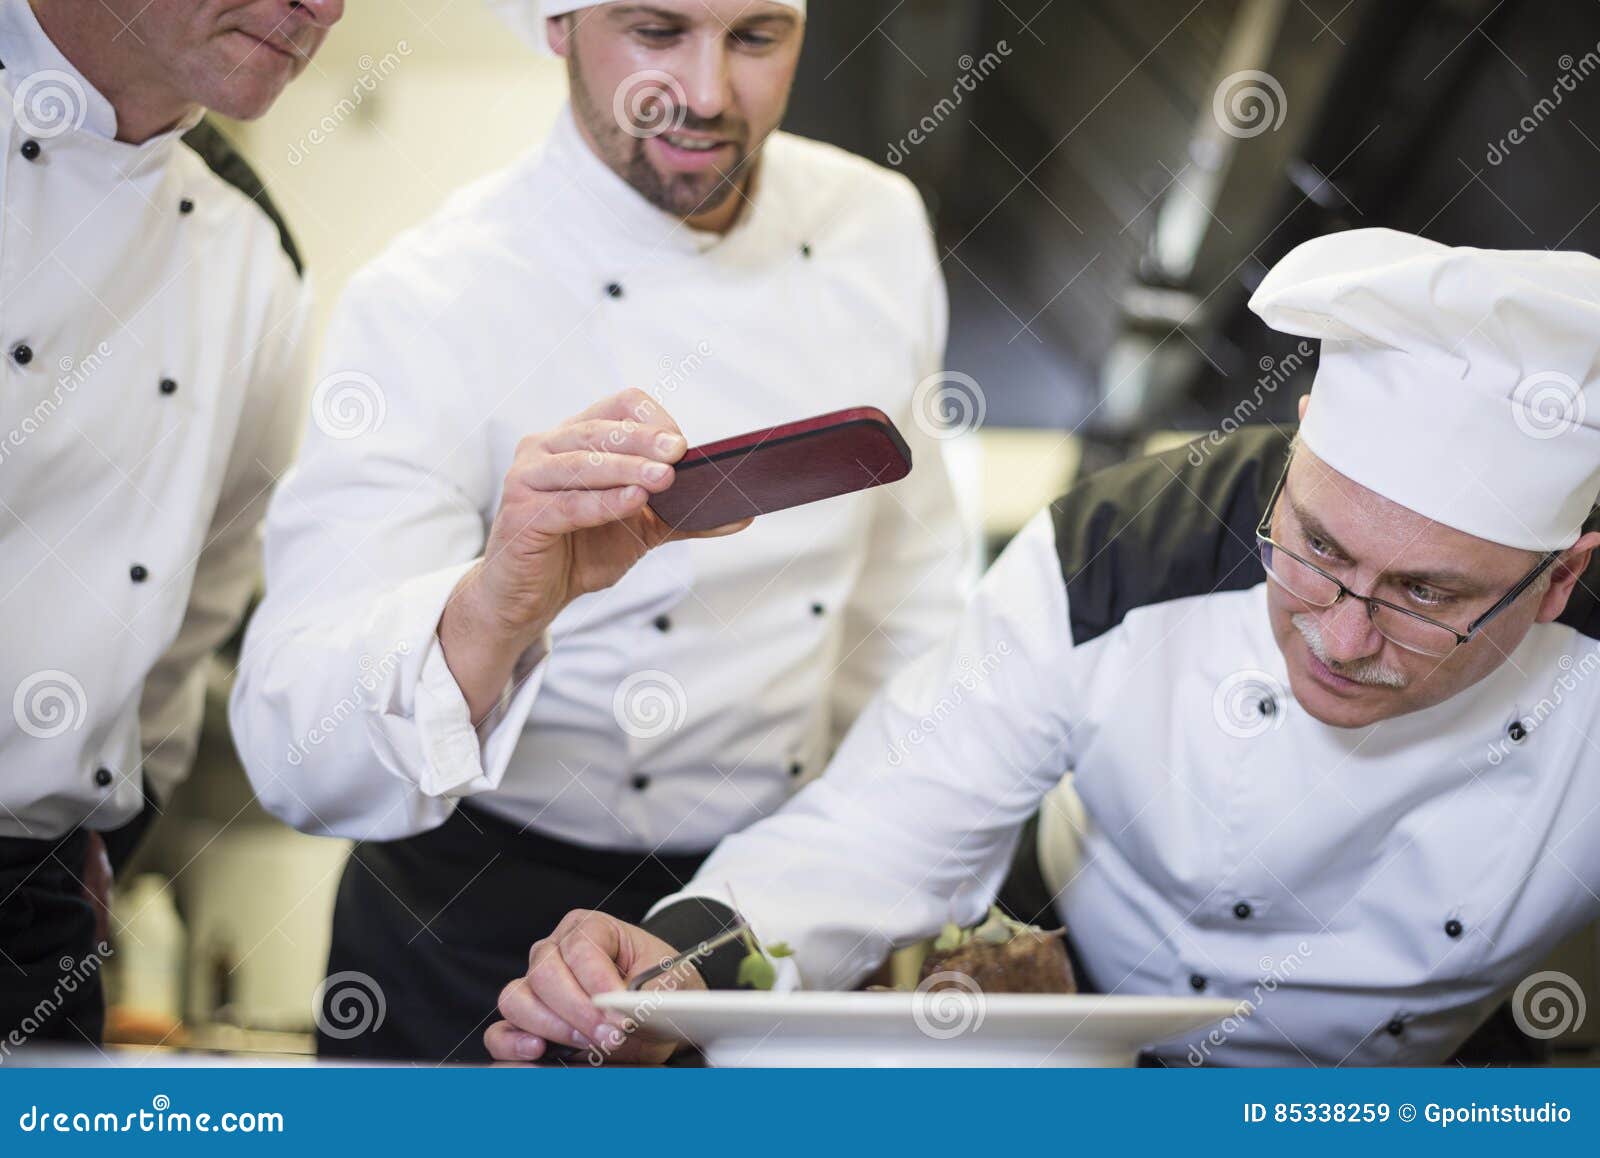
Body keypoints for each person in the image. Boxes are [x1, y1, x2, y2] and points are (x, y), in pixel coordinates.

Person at [487, 228, 1600, 1067]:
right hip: (1079, 1041)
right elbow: (885, 827)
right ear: (1296, 445)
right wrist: (677, 976)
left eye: (1424, 596)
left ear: (1557, 580)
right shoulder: (1117, 548)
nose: (1342, 634)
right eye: (1312, 548)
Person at [229, 0, 974, 1061]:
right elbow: (290, 750)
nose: (710, 94)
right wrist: (499, 601)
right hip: (474, 920)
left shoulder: (875, 224)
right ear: (557, 26)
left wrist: (877, 881)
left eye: (757, 38)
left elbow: (909, 620)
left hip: (761, 916)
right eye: (657, 33)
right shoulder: (432, 293)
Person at [0, 0, 341, 1049]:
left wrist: (111, 836)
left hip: (31, 917)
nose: (320, 6)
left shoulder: (252, 247)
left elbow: (203, 594)